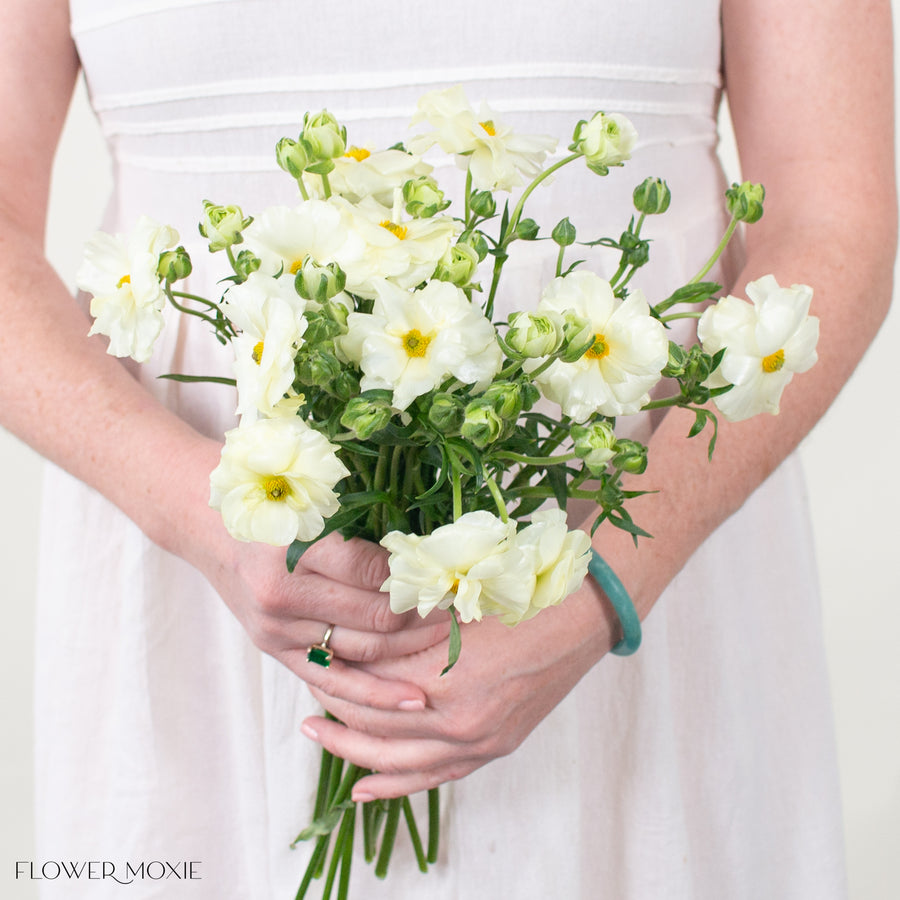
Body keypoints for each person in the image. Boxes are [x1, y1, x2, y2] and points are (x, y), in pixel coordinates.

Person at [1, 0, 894, 897]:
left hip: (641, 569)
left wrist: (605, 580)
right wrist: (200, 513)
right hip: (207, 591)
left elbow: (831, 210)